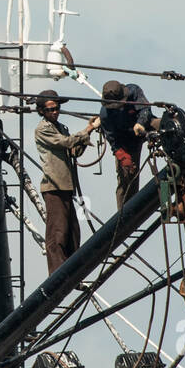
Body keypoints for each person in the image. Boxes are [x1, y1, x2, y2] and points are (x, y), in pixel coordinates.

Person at [34, 89, 100, 274]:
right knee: (58, 233)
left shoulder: (62, 127)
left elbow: (73, 151)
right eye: (50, 109)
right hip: (53, 186)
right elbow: (65, 143)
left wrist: (88, 135)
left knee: (72, 232)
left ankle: (71, 270)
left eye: (57, 108)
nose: (55, 112)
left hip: (66, 186)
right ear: (42, 111)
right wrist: (88, 130)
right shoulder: (43, 129)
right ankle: (58, 272)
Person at [99, 80, 157, 211]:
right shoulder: (105, 115)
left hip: (145, 126)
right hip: (126, 142)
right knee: (127, 179)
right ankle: (125, 214)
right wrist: (123, 157)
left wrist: (141, 122)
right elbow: (113, 141)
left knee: (166, 127)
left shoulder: (134, 91)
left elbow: (145, 109)